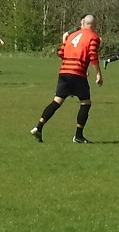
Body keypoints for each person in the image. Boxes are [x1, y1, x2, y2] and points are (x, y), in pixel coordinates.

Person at [31, 15, 103, 143]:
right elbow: (93, 55)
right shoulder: (93, 37)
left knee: (57, 101)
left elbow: (61, 52)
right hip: (77, 73)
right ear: (94, 24)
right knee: (85, 103)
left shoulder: (71, 35)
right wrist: (98, 74)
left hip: (64, 72)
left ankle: (39, 127)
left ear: (83, 23)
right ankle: (78, 136)